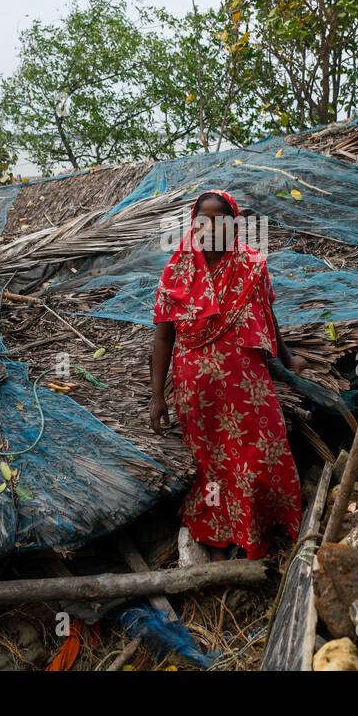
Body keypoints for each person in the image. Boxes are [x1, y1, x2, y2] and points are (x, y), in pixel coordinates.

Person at [149, 190, 303, 561]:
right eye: (204, 218)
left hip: (246, 383)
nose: (211, 226)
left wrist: (287, 357)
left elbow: (268, 314)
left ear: (234, 224)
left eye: (221, 219)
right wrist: (157, 396)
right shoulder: (177, 270)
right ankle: (221, 532)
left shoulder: (251, 265)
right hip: (197, 389)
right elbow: (164, 334)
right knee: (213, 464)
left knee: (261, 452)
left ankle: (266, 526)